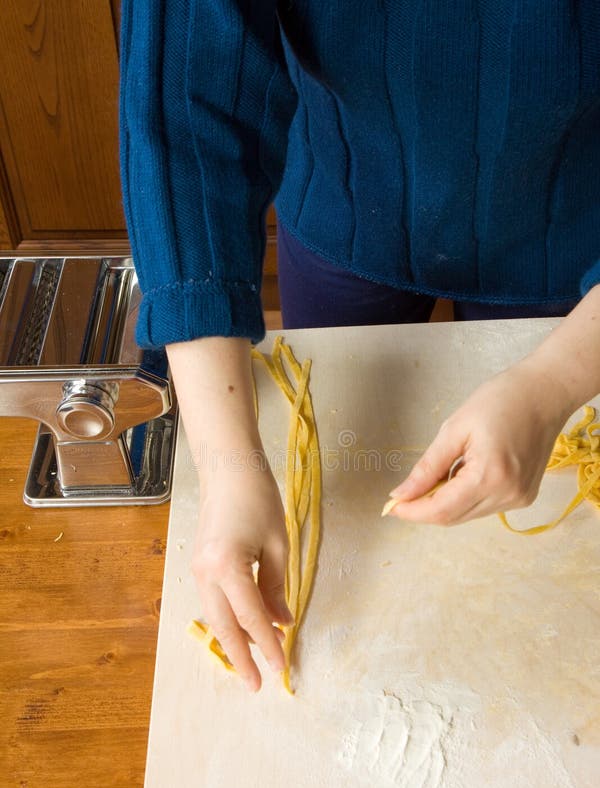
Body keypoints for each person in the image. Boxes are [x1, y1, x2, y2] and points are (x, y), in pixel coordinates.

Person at [120, 1, 600, 691]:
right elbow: (182, 106)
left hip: (578, 236)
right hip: (343, 200)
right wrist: (228, 464)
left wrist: (554, 384)